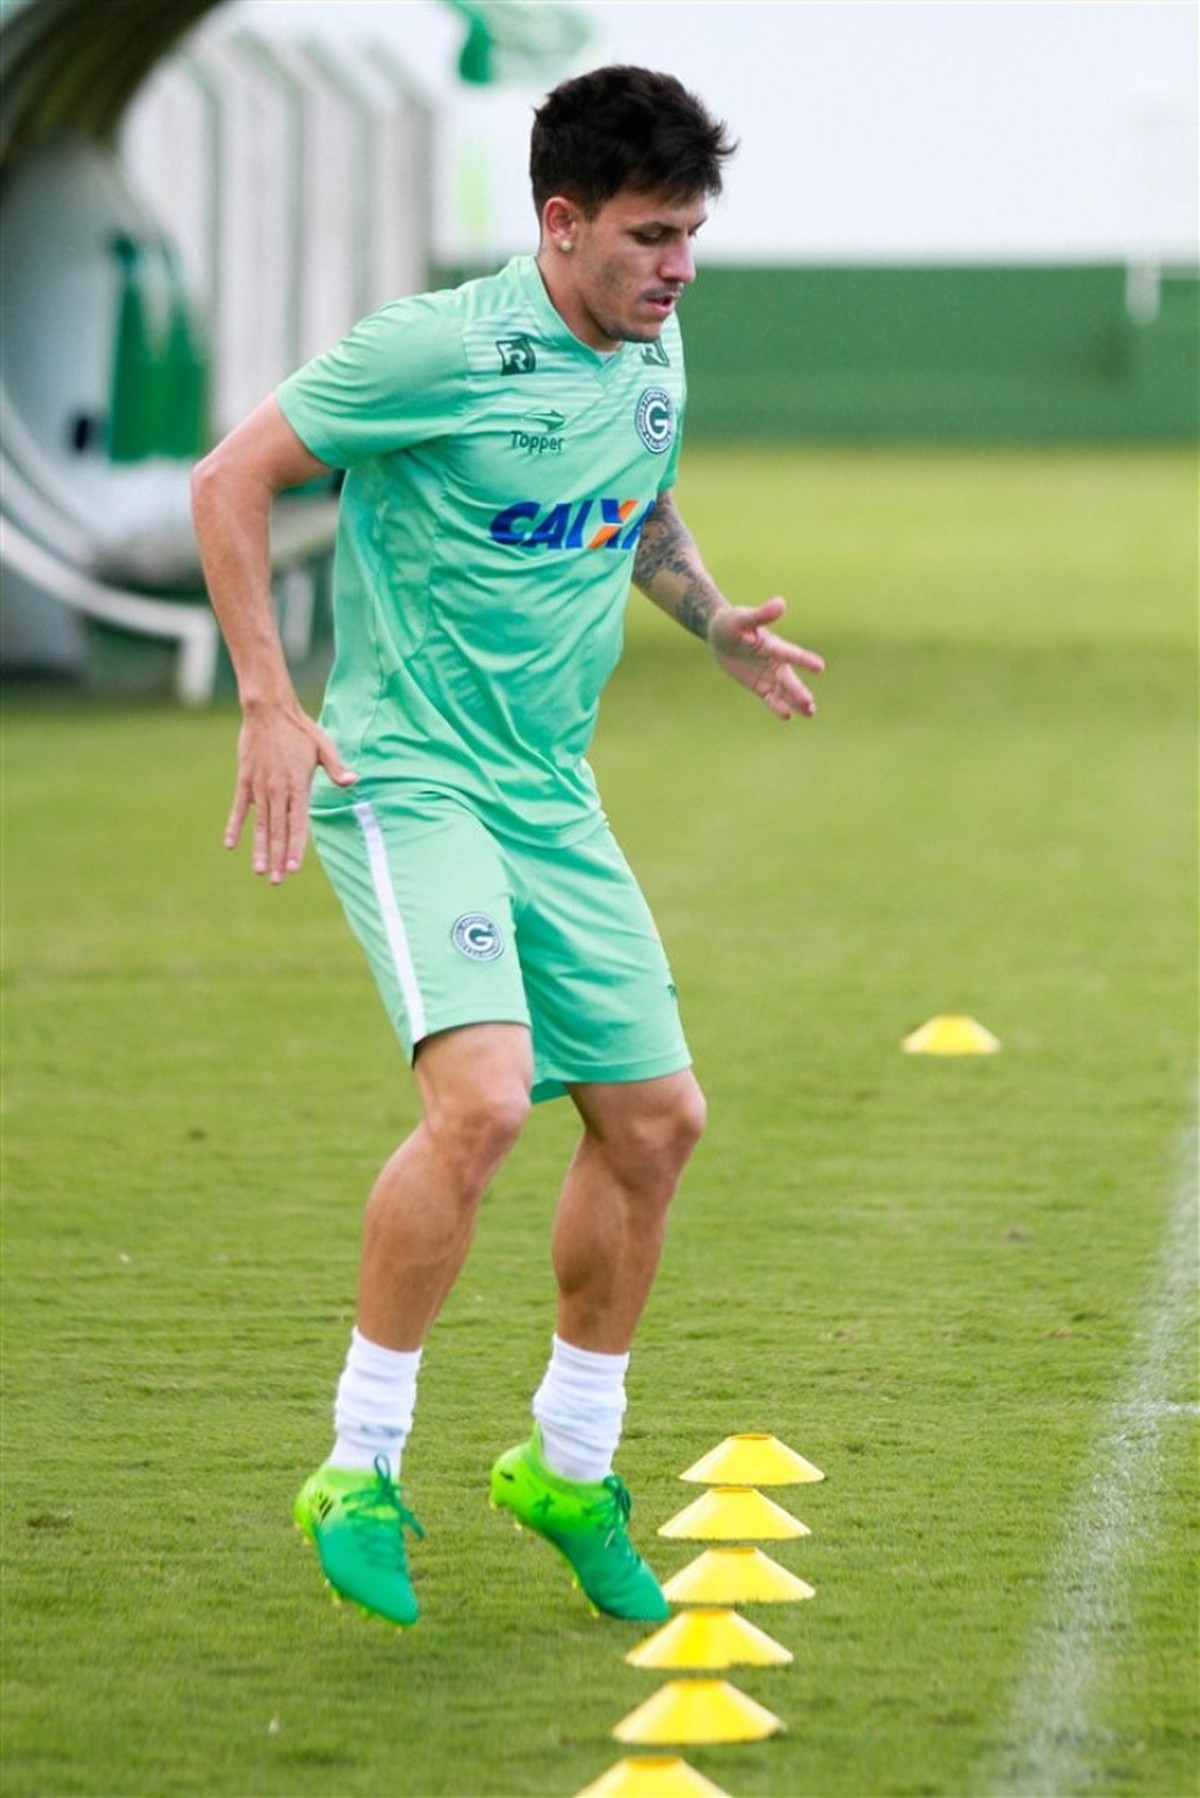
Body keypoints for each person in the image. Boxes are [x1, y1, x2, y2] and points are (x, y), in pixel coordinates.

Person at [191, 64, 823, 1631]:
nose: (680, 267)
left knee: (659, 1120)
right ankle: (358, 1463)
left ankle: (568, 1462)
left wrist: (712, 618)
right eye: (652, 234)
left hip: (552, 792)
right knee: (478, 1105)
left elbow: (639, 508)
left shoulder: (653, 350)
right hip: (408, 777)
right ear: (560, 222)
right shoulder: (439, 350)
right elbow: (232, 478)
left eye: (693, 236)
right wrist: (269, 699)